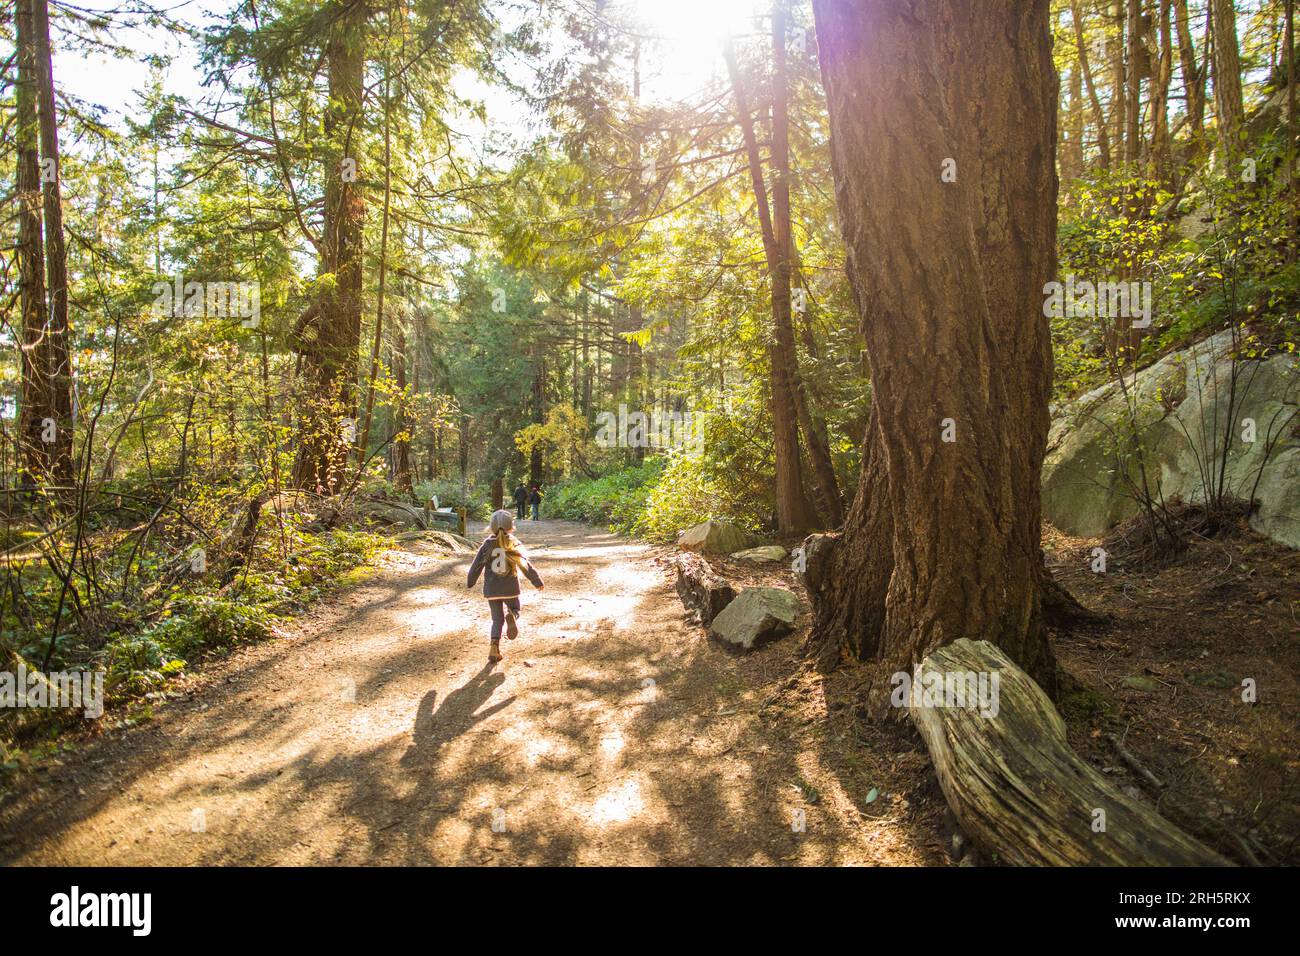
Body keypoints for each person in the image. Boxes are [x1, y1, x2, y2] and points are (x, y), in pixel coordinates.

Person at [466, 510, 544, 663]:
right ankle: (513, 615)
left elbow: (476, 566)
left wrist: (471, 581)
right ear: (511, 527)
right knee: (515, 608)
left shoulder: (487, 544)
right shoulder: (513, 542)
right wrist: (537, 581)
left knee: (497, 620)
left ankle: (494, 649)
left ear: (491, 527)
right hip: (510, 589)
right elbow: (525, 565)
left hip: (492, 590)